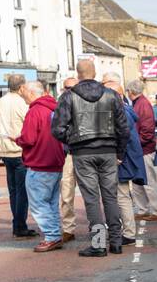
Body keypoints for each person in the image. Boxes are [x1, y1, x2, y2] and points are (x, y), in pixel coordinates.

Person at [52, 57, 129, 257]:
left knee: (92, 199)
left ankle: (98, 244)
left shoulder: (68, 97)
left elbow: (57, 129)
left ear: (78, 75)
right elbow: (124, 128)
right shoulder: (111, 95)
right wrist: (119, 152)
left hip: (83, 152)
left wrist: (73, 141)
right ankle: (116, 241)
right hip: (108, 150)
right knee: (110, 196)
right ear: (94, 74)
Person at [16, 82, 66, 252]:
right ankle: (55, 234)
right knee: (51, 201)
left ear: (31, 93)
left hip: (40, 162)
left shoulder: (35, 111)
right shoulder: (55, 108)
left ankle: (52, 236)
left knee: (38, 203)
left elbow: (28, 139)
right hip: (56, 161)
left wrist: (17, 139)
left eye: (24, 93)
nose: (23, 96)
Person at [0, 73, 35, 237]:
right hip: (19, 150)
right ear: (21, 87)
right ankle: (19, 226)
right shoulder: (22, 104)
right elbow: (29, 125)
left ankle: (18, 224)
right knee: (22, 191)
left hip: (4, 151)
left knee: (13, 190)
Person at [103, 76, 143, 245]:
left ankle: (128, 233)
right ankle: (126, 231)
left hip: (122, 160)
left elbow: (123, 136)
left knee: (122, 197)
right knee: (122, 196)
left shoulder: (121, 112)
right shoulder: (126, 109)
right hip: (125, 158)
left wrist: (118, 156)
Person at [125, 79, 157, 221]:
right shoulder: (140, 104)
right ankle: (143, 209)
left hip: (144, 150)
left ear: (132, 91)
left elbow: (147, 131)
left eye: (128, 91)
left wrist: (136, 144)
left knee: (147, 182)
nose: (127, 93)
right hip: (140, 149)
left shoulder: (143, 105)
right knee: (138, 182)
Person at [58, 76, 79, 242]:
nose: (69, 90)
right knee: (66, 192)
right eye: (67, 87)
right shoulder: (60, 104)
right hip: (69, 154)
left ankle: (99, 228)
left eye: (72, 87)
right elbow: (56, 128)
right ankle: (68, 228)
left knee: (92, 194)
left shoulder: (85, 101)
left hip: (85, 152)